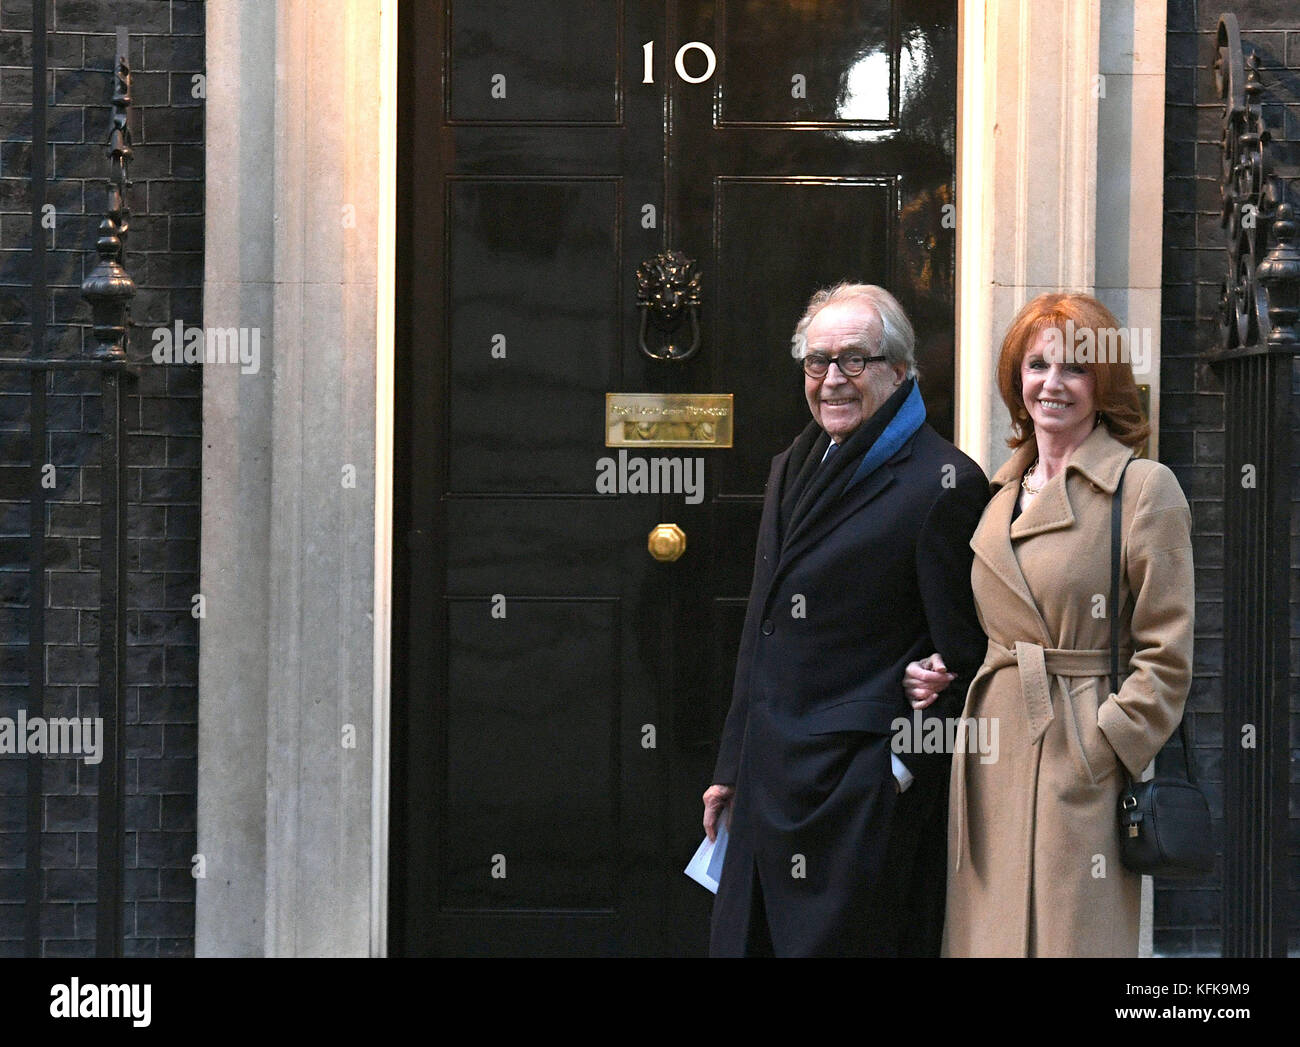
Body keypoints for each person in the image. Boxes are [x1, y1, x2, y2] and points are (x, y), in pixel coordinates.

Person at [702, 283, 989, 957]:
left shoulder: (944, 484)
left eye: (855, 361)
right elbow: (761, 629)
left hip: (855, 805)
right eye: (816, 361)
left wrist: (894, 773)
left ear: (900, 369)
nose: (832, 379)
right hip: (767, 786)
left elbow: (966, 659)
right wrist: (730, 766)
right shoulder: (789, 466)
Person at [904, 292, 1194, 957]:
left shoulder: (1143, 488)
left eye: (1075, 369)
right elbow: (993, 625)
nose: (1052, 384)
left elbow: (1169, 653)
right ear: (1017, 379)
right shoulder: (998, 491)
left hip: (1079, 748)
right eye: (1037, 366)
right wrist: (946, 671)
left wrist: (1102, 748)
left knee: (1070, 936)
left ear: (1105, 383)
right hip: (993, 751)